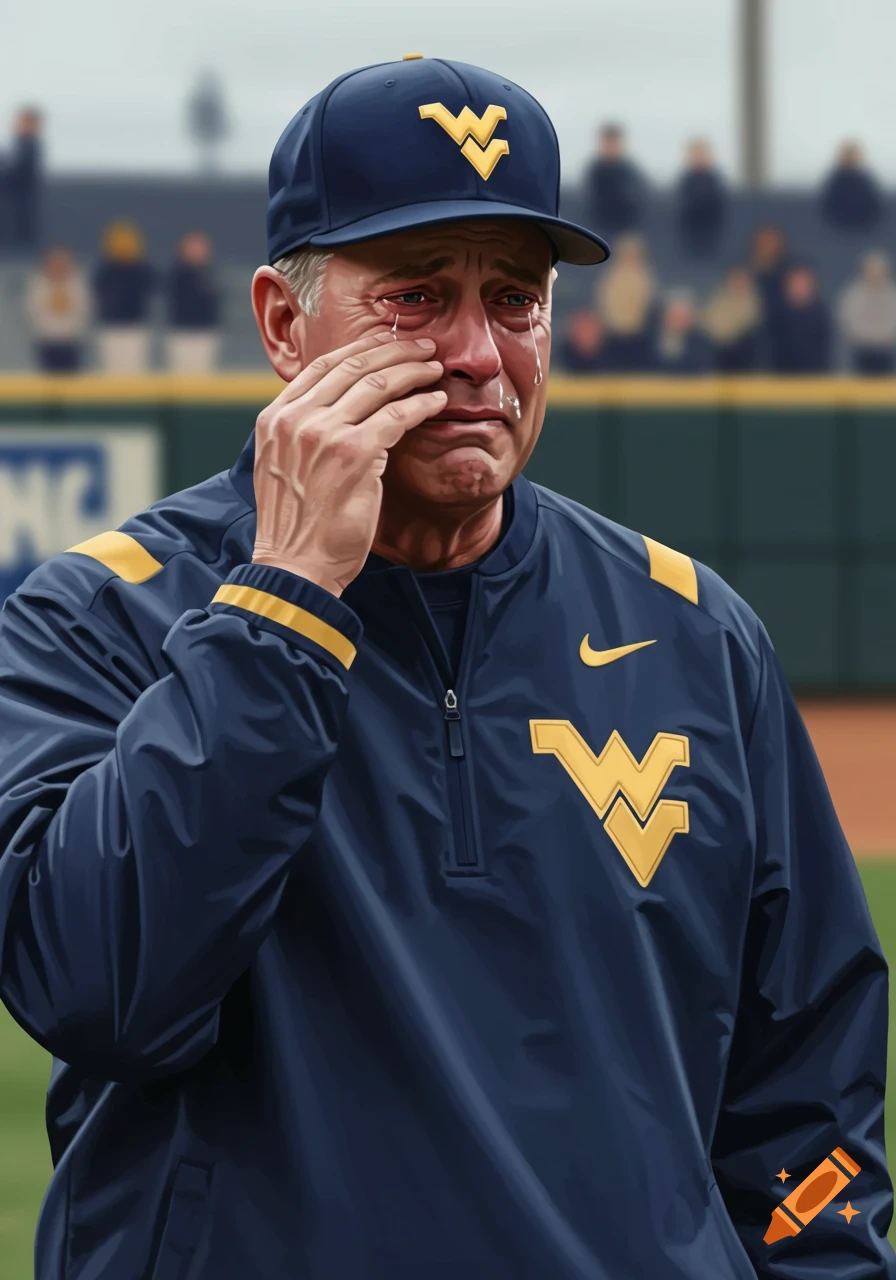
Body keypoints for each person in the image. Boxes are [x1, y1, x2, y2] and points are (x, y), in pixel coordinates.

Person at [0, 55, 893, 1280]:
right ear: (279, 321)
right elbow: (102, 989)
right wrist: (281, 603)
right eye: (416, 297)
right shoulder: (104, 613)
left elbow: (807, 1094)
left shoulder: (692, 632)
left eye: (514, 299)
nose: (478, 352)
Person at [92, 220, 156, 372]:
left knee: (135, 370)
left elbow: (152, 288)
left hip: (136, 326)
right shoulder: (105, 271)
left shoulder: (143, 269)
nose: (123, 246)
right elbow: (98, 294)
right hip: (110, 327)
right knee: (112, 370)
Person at [595, 232, 657, 370]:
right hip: (612, 337)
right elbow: (603, 305)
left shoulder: (646, 278)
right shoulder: (610, 278)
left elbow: (648, 306)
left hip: (640, 337)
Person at [24, 245, 91, 373]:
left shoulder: (77, 282)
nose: (59, 265)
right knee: (49, 384)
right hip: (47, 341)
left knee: (73, 382)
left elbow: (85, 309)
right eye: (55, 261)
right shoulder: (38, 283)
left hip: (71, 341)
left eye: (63, 261)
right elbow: (31, 311)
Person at [165, 230, 222, 372]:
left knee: (204, 374)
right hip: (181, 332)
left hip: (206, 332)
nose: (196, 252)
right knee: (180, 374)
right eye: (192, 247)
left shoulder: (210, 275)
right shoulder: (176, 275)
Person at [582, 123, 647, 236]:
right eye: (608, 143)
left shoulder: (630, 172)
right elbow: (588, 205)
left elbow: (638, 204)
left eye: (614, 143)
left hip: (626, 230)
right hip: (598, 228)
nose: (611, 147)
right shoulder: (595, 171)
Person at [838, 251, 896, 375]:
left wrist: (882, 338)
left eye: (879, 271)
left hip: (887, 353)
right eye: (872, 270)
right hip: (860, 352)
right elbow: (848, 322)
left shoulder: (892, 295)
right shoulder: (853, 295)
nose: (875, 274)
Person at [768, 264, 833, 374]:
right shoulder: (775, 315)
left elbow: (825, 356)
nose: (799, 287)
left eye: (803, 283)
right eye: (796, 283)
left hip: (814, 380)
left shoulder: (821, 315)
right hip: (780, 380)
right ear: (786, 286)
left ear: (812, 286)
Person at [674, 138, 729, 258]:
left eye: (702, 153)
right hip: (688, 233)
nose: (699, 157)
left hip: (713, 232)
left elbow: (721, 207)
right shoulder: (685, 180)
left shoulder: (716, 180)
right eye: (696, 154)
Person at [702, 266, 763, 372]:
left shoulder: (752, 307)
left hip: (737, 359)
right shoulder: (717, 298)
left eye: (741, 280)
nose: (737, 283)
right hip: (710, 352)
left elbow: (738, 334)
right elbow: (705, 323)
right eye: (734, 279)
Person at [0, 107, 43, 250]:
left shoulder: (30, 146)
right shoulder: (19, 144)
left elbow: (18, 171)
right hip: (12, 198)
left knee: (21, 229)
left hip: (21, 198)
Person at [820, 141, 884, 233]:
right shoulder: (834, 181)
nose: (850, 158)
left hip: (865, 230)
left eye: (853, 154)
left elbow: (876, 209)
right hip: (835, 230)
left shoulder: (866, 180)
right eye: (848, 154)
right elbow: (826, 209)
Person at [653, 291, 712, 374]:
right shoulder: (645, 343)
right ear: (664, 317)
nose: (678, 321)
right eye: (674, 315)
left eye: (683, 317)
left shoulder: (702, 347)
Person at [558, 308, 607, 373]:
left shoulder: (615, 359)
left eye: (589, 329)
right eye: (582, 330)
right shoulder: (562, 359)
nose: (586, 334)